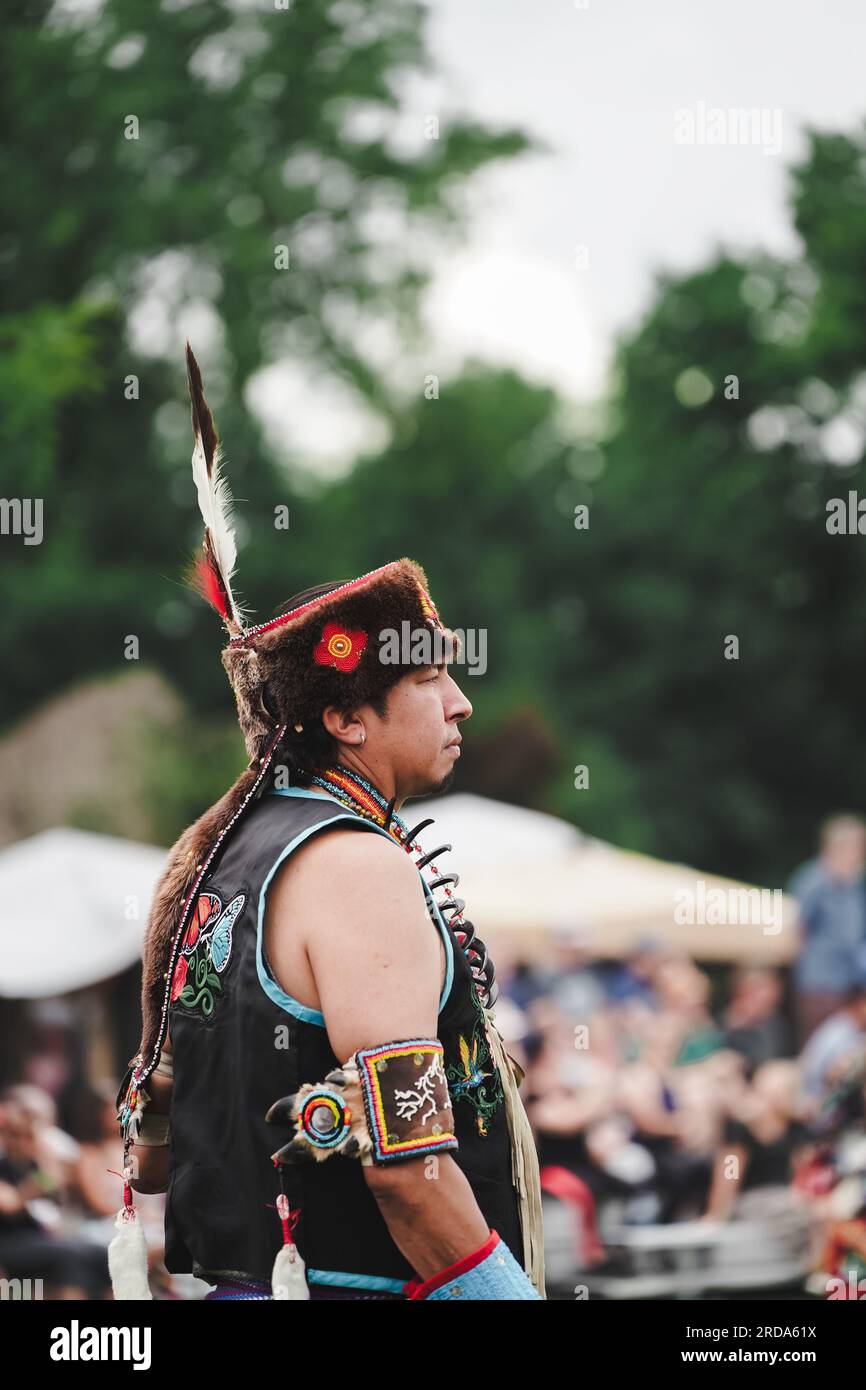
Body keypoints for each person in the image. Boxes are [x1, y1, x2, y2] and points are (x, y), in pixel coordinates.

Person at [114, 345, 544, 1302]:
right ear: (346, 720)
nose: (461, 703)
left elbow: (152, 1154)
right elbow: (407, 1167)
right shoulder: (356, 868)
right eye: (429, 678)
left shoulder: (223, 861)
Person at [789, 815, 866, 1045]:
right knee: (818, 1045)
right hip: (820, 983)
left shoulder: (854, 885)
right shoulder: (814, 880)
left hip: (848, 982)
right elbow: (798, 929)